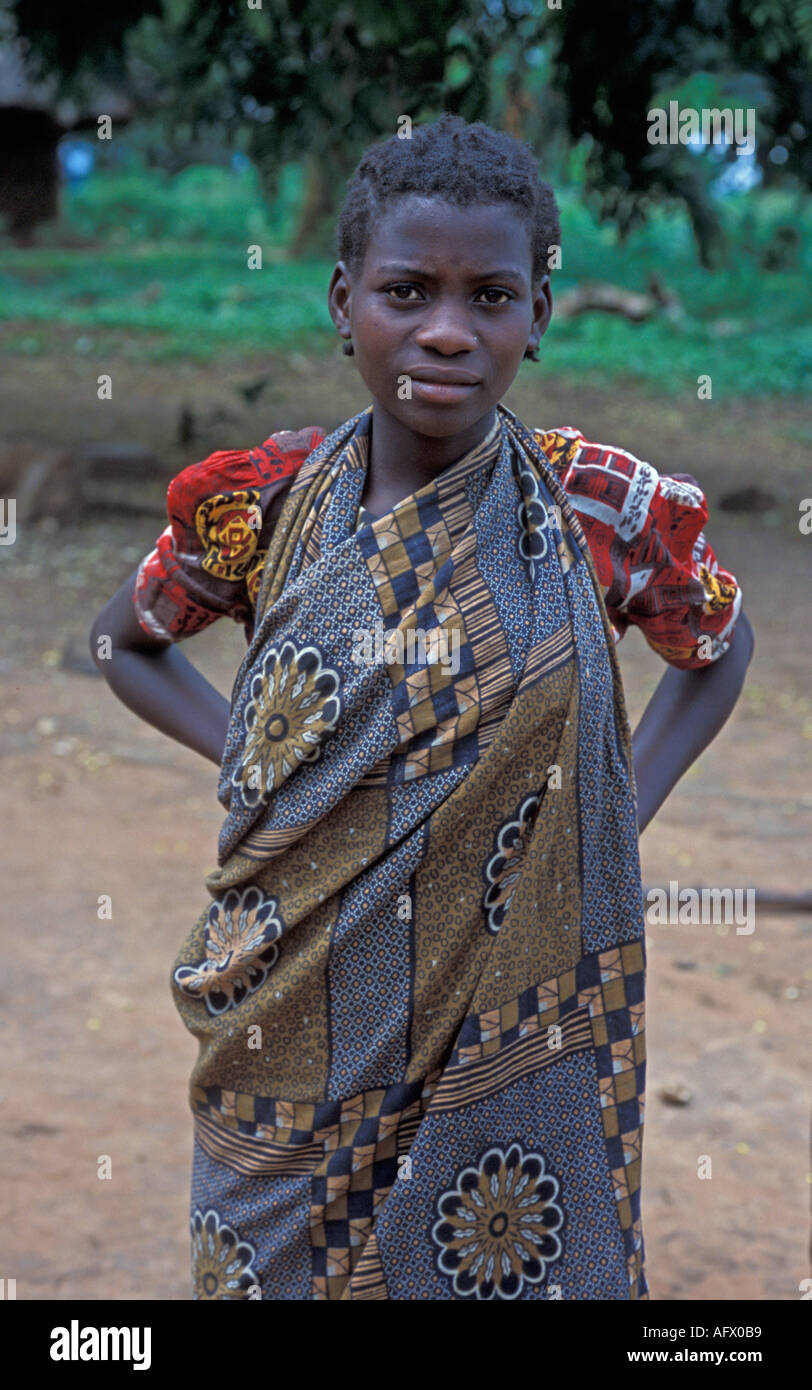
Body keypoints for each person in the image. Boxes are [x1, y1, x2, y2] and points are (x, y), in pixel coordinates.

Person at [90, 115, 753, 1301]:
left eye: (490, 295)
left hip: (517, 1015)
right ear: (343, 303)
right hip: (292, 1008)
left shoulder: (592, 506)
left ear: (536, 317)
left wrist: (613, 808)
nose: (446, 329)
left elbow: (714, 639)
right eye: (406, 290)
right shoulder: (268, 502)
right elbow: (122, 638)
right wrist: (243, 756)